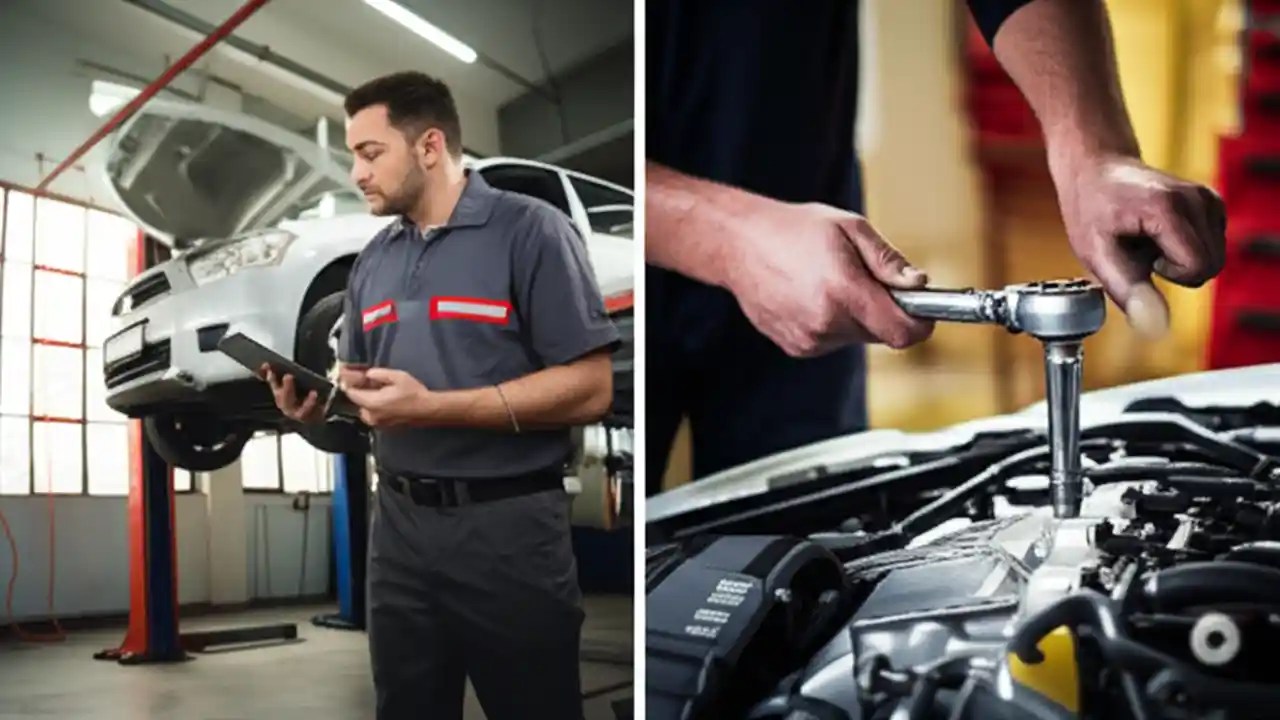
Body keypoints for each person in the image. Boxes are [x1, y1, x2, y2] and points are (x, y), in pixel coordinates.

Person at [645, 0, 1227, 486]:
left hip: (814, 254)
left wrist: (1095, 151)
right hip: (622, 262)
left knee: (802, 552)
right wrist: (725, 239)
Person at [262, 71, 620, 720]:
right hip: (398, 532)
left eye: (370, 153)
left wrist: (434, 407)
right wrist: (317, 410)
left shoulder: (531, 231)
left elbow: (591, 388)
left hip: (508, 532)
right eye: (353, 156)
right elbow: (363, 395)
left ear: (429, 146)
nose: (356, 173)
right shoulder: (373, 261)